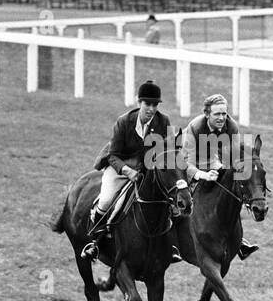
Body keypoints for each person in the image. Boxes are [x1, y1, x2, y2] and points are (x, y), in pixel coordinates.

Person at [81, 79, 182, 265]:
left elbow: (166, 152)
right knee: (106, 200)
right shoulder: (124, 121)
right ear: (139, 102)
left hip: (148, 170)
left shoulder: (163, 121)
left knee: (171, 200)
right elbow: (113, 156)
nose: (151, 109)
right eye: (147, 104)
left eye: (154, 104)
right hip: (120, 166)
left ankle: (172, 245)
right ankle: (96, 242)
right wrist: (127, 171)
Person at [182, 94, 259, 261]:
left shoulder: (231, 126)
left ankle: (239, 241)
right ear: (207, 114)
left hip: (213, 162)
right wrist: (203, 175)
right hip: (186, 162)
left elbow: (234, 158)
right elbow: (186, 164)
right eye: (217, 114)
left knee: (232, 192)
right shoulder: (195, 127)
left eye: (224, 113)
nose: (222, 118)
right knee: (180, 194)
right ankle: (171, 239)